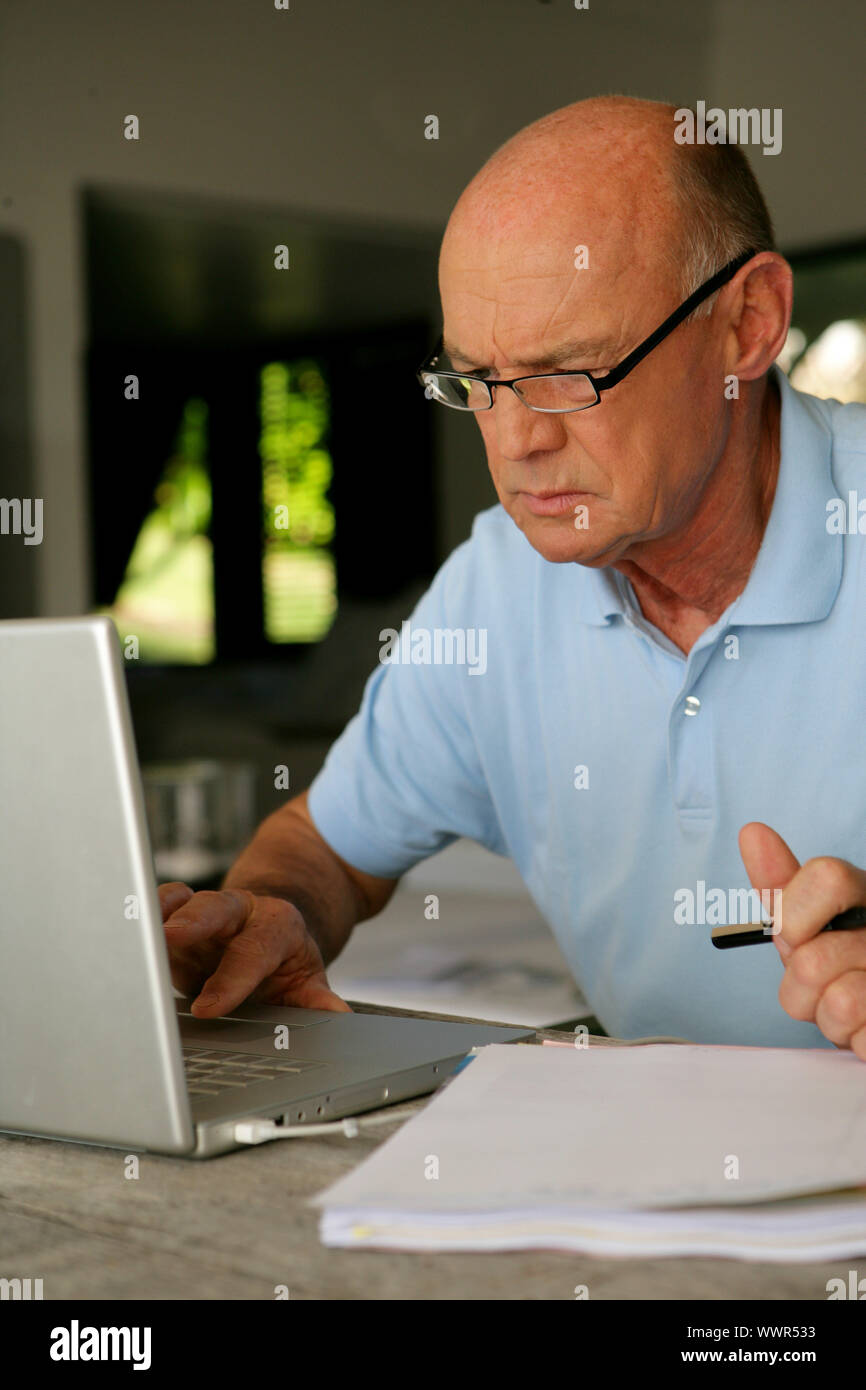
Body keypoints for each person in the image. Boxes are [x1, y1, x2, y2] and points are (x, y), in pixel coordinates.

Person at [161, 95, 866, 1053]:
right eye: (475, 384)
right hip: (642, 1169)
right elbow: (325, 844)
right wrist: (273, 913)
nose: (517, 441)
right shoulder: (496, 586)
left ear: (748, 324)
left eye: (570, 375)